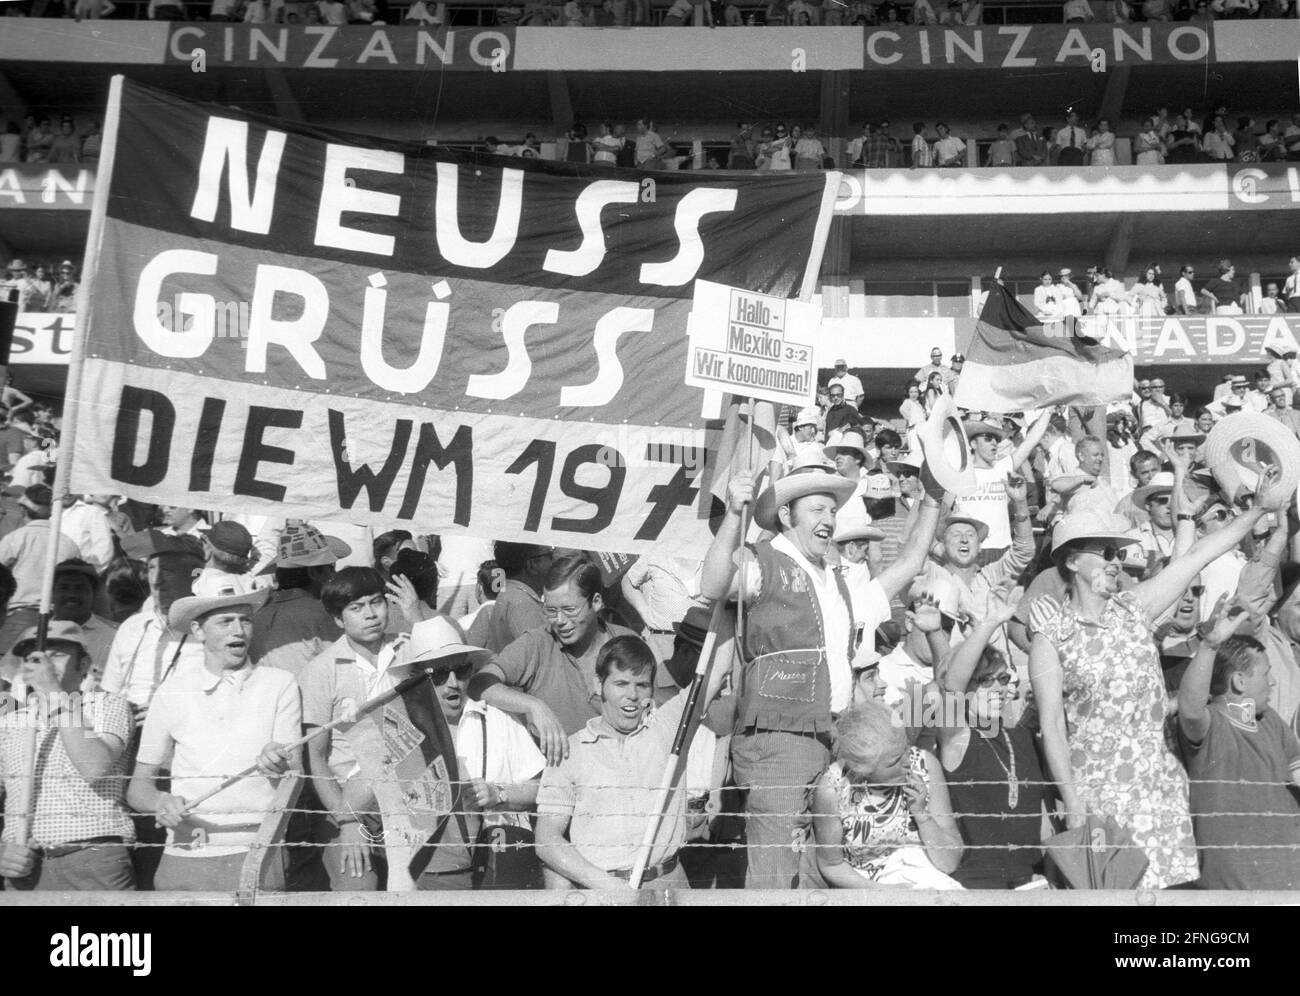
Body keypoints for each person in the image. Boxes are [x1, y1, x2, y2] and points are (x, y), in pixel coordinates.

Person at [1029, 475, 1291, 889]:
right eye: (1105, 552)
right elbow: (1054, 727)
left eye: (1117, 551)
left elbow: (1197, 556)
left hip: (1159, 784)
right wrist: (1074, 803)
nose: (1116, 560)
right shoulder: (1050, 638)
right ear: (1072, 561)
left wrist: (1257, 510)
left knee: (1179, 898)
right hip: (1101, 795)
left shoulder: (1135, 608)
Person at [701, 453, 944, 888]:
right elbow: (713, 584)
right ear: (785, 515)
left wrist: (932, 500)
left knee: (818, 873)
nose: (829, 519)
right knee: (776, 879)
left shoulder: (840, 579)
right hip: (779, 742)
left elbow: (907, 566)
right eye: (817, 509)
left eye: (832, 510)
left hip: (833, 740)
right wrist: (734, 517)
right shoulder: (763, 561)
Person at [126, 577, 297, 891]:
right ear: (198, 631)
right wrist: (162, 802)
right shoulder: (171, 691)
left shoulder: (279, 684)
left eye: (245, 620)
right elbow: (138, 790)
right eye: (225, 621)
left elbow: (294, 769)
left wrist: (278, 757)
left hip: (258, 852)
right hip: (188, 851)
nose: (238, 630)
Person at [535, 631, 731, 888]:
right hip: (602, 892)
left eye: (642, 685)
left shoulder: (669, 728)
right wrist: (607, 886)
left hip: (668, 886)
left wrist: (728, 599)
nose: (632, 695)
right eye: (621, 684)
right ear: (599, 684)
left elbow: (717, 672)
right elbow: (547, 838)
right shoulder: (570, 750)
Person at [297, 567, 410, 891]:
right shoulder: (321, 670)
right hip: (346, 801)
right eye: (356, 608)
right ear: (337, 619)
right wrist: (346, 819)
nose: (371, 615)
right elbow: (315, 758)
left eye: (376, 602)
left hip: (408, 797)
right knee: (358, 888)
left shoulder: (408, 652)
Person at [0, 621, 136, 890]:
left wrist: (53, 693)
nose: (44, 664)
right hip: (23, 865)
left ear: (84, 665)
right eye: (34, 657)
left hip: (92, 859)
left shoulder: (104, 706)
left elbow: (94, 766)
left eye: (57, 654)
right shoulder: (10, 721)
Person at [1176, 600, 1300, 890]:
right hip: (1236, 886)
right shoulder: (1211, 726)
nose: (1272, 683)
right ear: (1239, 682)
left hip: (1289, 877)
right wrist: (1209, 646)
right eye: (1265, 674)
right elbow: (1191, 709)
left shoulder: (1270, 720)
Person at [470, 554, 637, 760]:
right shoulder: (537, 643)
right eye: (550, 610)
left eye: (569, 610)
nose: (559, 621)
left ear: (596, 602)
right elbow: (480, 684)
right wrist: (534, 705)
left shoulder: (627, 641)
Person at [936, 590, 1047, 889]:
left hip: (1033, 881)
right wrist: (991, 622)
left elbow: (1043, 821)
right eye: (985, 681)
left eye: (1002, 679)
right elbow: (953, 686)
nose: (998, 688)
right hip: (977, 884)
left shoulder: (1022, 737)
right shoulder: (957, 737)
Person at [802, 701, 963, 889]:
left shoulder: (925, 765)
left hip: (928, 881)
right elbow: (831, 864)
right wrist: (882, 893)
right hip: (868, 889)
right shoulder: (834, 788)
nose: (907, 762)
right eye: (894, 761)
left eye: (905, 749)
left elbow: (950, 862)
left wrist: (922, 815)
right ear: (862, 768)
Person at [249, 523, 348, 678]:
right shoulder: (324, 614)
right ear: (314, 572)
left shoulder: (258, 614)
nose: (333, 575)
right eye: (331, 567)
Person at [0, 485, 81, 664]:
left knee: (5, 674)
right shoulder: (68, 543)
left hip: (21, 618)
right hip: (58, 621)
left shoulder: (15, 538)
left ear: (23, 509)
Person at [467, 541, 551, 653]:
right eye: (550, 556)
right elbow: (541, 656)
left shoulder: (512, 594)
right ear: (532, 565)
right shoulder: (523, 605)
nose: (553, 562)